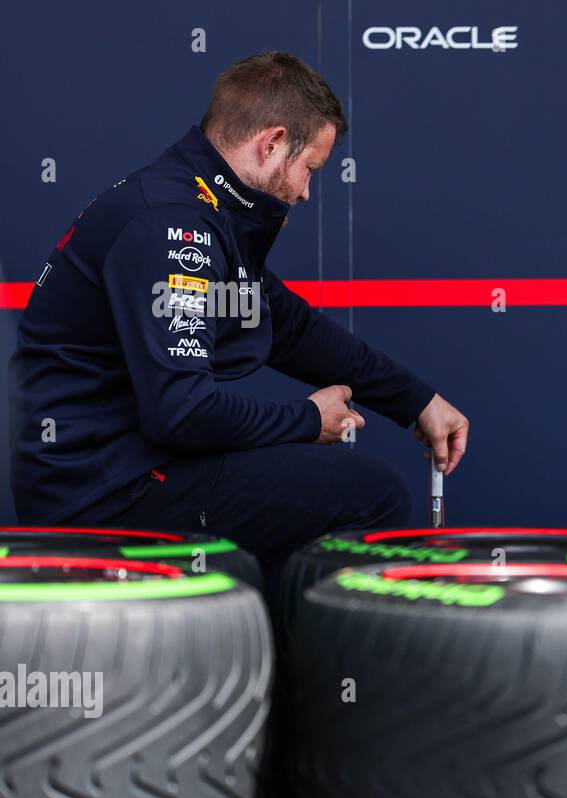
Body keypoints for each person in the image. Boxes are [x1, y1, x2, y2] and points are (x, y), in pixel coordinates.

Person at [7, 51, 468, 597]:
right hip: (102, 492)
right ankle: (301, 679)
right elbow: (181, 413)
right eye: (309, 169)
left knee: (310, 508)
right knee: (371, 494)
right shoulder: (174, 227)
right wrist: (306, 419)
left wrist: (415, 400)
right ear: (271, 143)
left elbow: (289, 328)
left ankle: (252, 664)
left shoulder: (202, 205)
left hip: (124, 467)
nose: (305, 191)